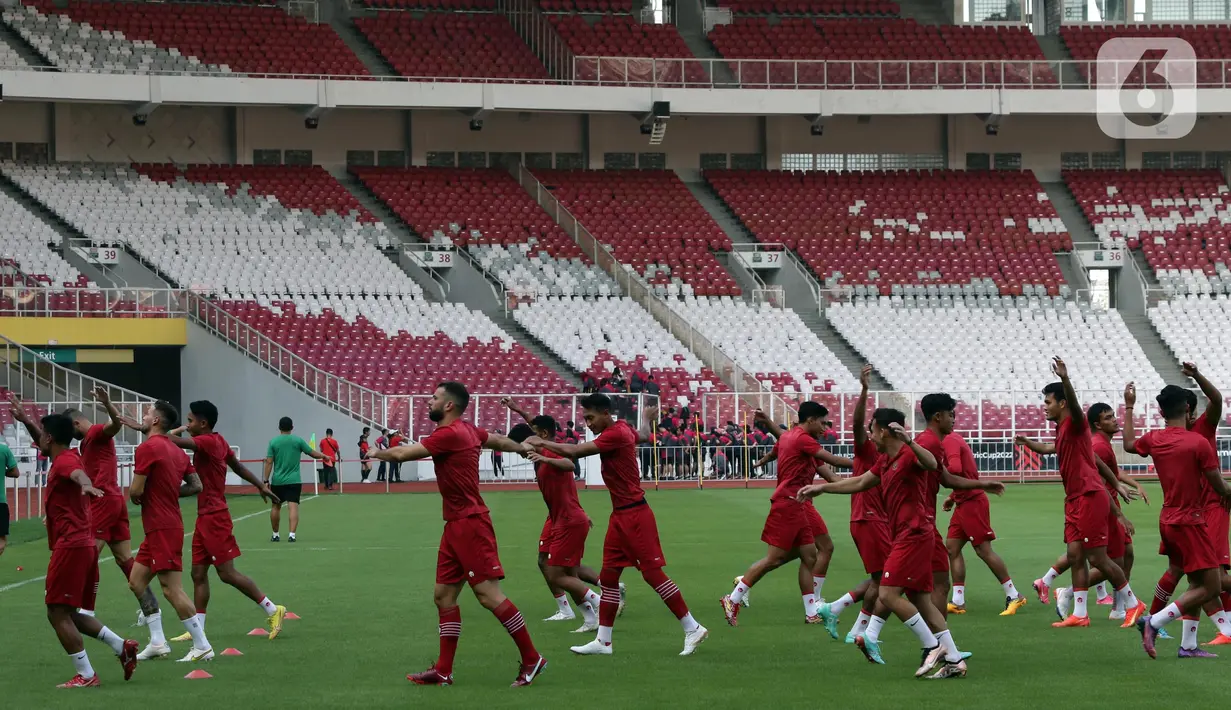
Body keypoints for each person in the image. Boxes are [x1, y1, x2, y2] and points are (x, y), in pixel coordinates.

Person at [367, 382, 547, 687]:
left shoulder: (449, 434)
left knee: (488, 595)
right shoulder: (468, 430)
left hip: (470, 524)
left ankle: (533, 658)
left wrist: (377, 452)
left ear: (449, 405)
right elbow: (497, 440)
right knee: (444, 596)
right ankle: (443, 671)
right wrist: (521, 447)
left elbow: (402, 454)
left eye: (435, 398)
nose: (429, 401)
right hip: (456, 524)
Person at [799, 409, 1002, 679]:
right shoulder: (885, 461)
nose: (870, 437)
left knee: (887, 594)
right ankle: (954, 659)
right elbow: (860, 481)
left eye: (872, 431)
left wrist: (910, 441)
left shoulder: (909, 454)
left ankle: (932, 646)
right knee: (920, 599)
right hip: (906, 535)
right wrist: (821, 487)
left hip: (914, 535)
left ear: (884, 431)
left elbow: (931, 464)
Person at [526, 394, 708, 657]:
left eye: (591, 417)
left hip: (635, 515)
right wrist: (645, 419)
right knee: (609, 578)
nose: (588, 423)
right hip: (620, 516)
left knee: (652, 574)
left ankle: (693, 627)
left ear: (605, 413)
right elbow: (642, 436)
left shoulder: (615, 434)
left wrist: (542, 442)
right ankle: (603, 641)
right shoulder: (622, 429)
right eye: (585, 418)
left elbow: (575, 452)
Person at [11, 390, 169, 660]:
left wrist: (107, 404)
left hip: (101, 502)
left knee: (84, 554)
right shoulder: (80, 447)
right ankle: (157, 636)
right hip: (114, 502)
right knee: (127, 565)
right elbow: (50, 447)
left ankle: (85, 612)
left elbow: (113, 426)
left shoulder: (94, 433)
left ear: (75, 424)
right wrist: (27, 420)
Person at [156, 401, 289, 643]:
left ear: (203, 423)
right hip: (205, 516)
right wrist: (260, 485)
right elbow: (237, 467)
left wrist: (164, 430)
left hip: (215, 516)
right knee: (198, 573)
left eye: (190, 421)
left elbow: (171, 441)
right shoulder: (219, 440)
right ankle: (198, 629)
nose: (187, 425)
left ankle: (273, 609)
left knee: (227, 574)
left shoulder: (207, 441)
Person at [1123, 383, 1231, 659]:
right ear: (1188, 408)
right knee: (1213, 585)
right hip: (1191, 521)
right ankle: (1153, 621)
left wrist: (1130, 406)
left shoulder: (1154, 439)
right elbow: (1220, 487)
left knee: (1196, 582)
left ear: (1161, 411)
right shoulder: (1198, 443)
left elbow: (1128, 444)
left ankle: (1189, 646)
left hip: (1168, 520)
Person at [1039, 357, 1144, 629]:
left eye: (1048, 402)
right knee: (1075, 554)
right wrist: (1117, 484)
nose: (1045, 406)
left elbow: (1076, 407)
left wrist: (1065, 378)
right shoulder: (1063, 431)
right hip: (1074, 498)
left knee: (1098, 558)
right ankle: (1080, 613)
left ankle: (1133, 604)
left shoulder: (1075, 423)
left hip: (1089, 496)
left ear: (1062, 404)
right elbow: (1097, 463)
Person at [1019, 403, 1149, 622]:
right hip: (1091, 502)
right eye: (1109, 417)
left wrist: (1120, 487)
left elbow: (1101, 469)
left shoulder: (1080, 433)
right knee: (1090, 556)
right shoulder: (1087, 439)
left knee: (1108, 556)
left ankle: (1119, 606)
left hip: (1092, 500)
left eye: (1048, 402)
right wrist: (1118, 510)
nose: (1114, 420)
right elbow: (1094, 472)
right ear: (1098, 424)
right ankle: (1087, 605)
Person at [36, 412, 139, 688]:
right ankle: (122, 646)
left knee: (56, 612)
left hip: (71, 545)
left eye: (41, 434)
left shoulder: (65, 461)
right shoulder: (67, 455)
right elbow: (69, 466)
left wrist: (87, 485)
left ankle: (86, 675)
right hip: (83, 543)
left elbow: (77, 475)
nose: (39, 439)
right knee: (68, 611)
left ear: (49, 437)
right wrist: (25, 419)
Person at [723, 401, 839, 626]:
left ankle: (811, 611)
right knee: (777, 558)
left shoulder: (796, 439)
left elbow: (780, 442)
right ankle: (734, 596)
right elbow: (831, 465)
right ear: (809, 421)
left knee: (809, 555)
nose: (825, 428)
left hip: (799, 503)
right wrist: (871, 470)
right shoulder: (801, 440)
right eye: (823, 423)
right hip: (791, 502)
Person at [501, 398, 607, 623]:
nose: (520, 452)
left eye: (520, 447)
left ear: (540, 436)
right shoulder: (539, 445)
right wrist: (517, 408)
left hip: (567, 518)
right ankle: (575, 612)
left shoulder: (548, 452)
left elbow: (570, 465)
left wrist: (543, 458)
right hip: (556, 517)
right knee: (546, 563)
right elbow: (534, 425)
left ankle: (602, 599)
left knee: (563, 572)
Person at [125, 400, 215, 663]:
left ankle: (202, 645)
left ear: (155, 421)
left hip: (162, 526)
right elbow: (196, 485)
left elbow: (135, 491)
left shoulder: (148, 448)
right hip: (163, 525)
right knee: (136, 581)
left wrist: (145, 494)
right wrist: (168, 492)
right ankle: (157, 642)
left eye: (147, 413)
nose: (144, 416)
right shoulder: (177, 451)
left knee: (171, 589)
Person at [816, 365, 893, 644]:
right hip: (868, 518)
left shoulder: (890, 453)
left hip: (878, 520)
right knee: (887, 579)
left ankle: (835, 609)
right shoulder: (867, 449)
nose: (871, 433)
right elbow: (857, 425)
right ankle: (859, 630)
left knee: (882, 577)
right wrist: (864, 390)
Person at [941, 429, 1028, 616]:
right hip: (963, 501)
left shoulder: (949, 440)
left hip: (972, 503)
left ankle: (1014, 595)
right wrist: (953, 496)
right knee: (952, 548)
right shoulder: (952, 439)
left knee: (983, 550)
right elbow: (964, 472)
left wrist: (933, 466)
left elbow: (955, 469)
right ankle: (958, 601)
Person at [264, 416, 331, 543]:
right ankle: (292, 535)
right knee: (293, 506)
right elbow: (312, 453)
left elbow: (269, 462)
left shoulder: (273, 442)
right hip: (294, 480)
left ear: (279, 428)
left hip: (277, 481)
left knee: (275, 506)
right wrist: (324, 456)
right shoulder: (298, 441)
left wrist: (265, 481)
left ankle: (275, 534)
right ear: (292, 427)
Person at [0, 437, 19, 557]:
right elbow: (15, 472)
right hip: (0, 502)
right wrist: (3, 471)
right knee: (1, 540)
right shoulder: (4, 450)